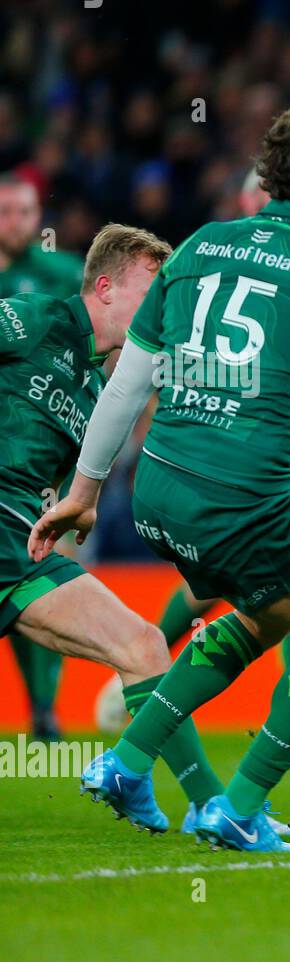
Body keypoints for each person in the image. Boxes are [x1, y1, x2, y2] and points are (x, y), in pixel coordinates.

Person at [30, 99, 290, 854]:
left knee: (268, 610)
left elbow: (128, 387)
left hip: (157, 491)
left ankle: (130, 760)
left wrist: (86, 492)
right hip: (246, 499)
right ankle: (240, 804)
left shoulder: (197, 247)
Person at [95, 168, 290, 749]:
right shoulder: (235, 264)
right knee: (224, 590)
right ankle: (147, 668)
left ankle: (284, 717)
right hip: (237, 466)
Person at [0, 224, 241, 825]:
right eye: (151, 291)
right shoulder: (34, 320)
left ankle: (202, 803)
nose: (164, 309)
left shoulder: (99, 385)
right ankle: (217, 808)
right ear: (104, 288)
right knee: (142, 645)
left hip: (18, 545)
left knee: (144, 646)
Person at [0, 172, 86, 740]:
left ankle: (45, 710)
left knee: (42, 582)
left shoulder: (61, 276)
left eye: (26, 210)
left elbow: (93, 360)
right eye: (6, 210)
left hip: (44, 472)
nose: (16, 220)